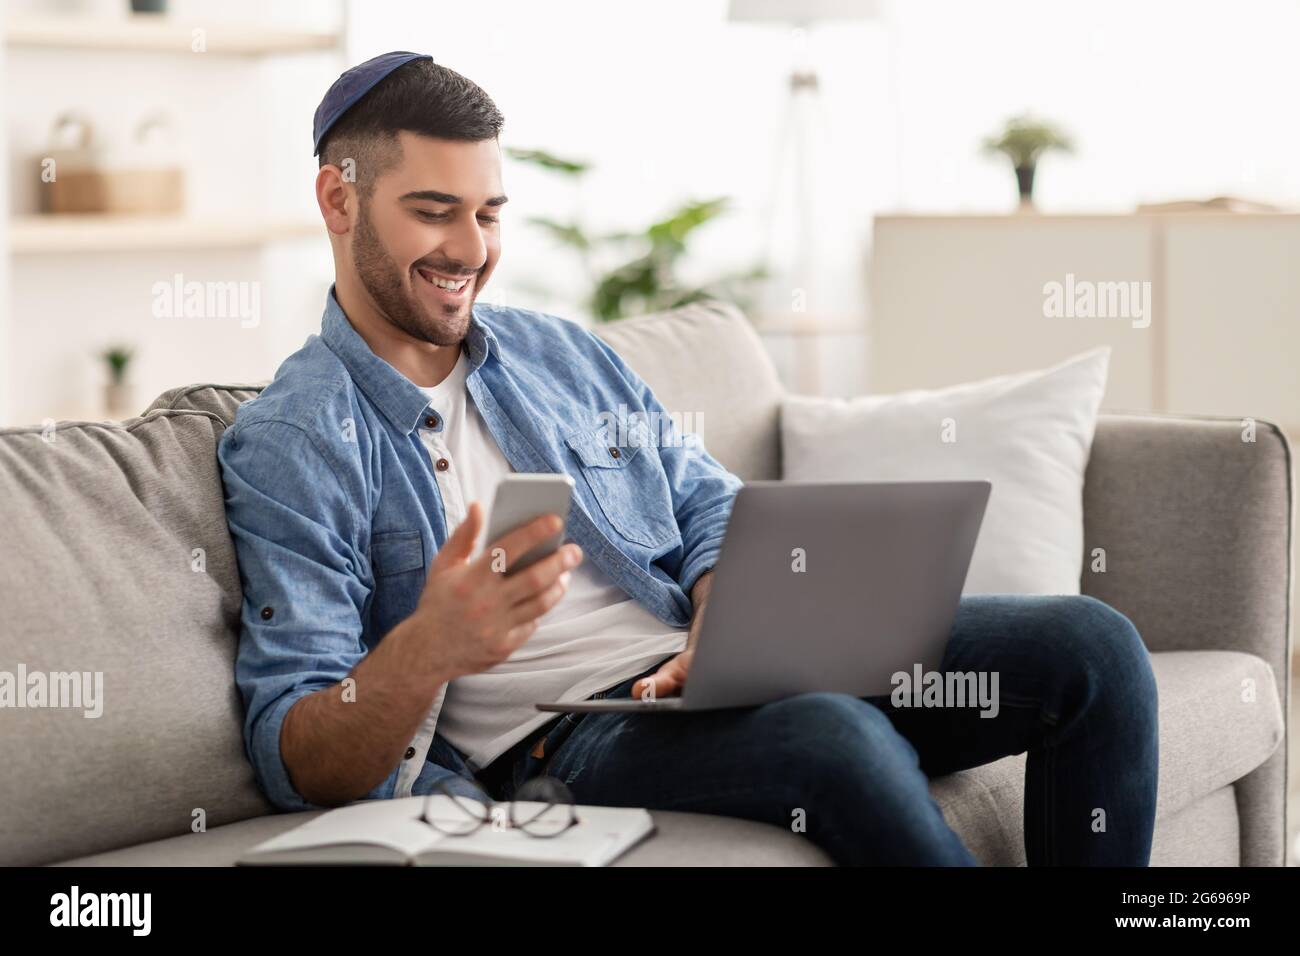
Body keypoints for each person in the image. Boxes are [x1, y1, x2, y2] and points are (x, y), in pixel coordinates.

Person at [217, 52, 1159, 866]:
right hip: (569, 741)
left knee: (1094, 646)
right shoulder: (295, 440)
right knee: (835, 738)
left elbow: (713, 502)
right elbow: (298, 753)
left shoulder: (561, 355)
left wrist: (723, 610)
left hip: (703, 668)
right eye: (434, 212)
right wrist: (429, 648)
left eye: (490, 213)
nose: (472, 248)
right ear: (339, 199)